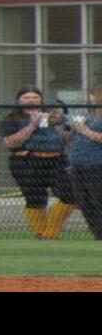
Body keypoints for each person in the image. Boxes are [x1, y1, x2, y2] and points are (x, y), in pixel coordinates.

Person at [0, 85, 77, 239]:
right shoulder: (11, 119)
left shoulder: (52, 116)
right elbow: (10, 142)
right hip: (26, 161)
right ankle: (40, 234)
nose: (31, 101)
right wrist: (32, 125)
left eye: (35, 97)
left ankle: (51, 232)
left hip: (56, 160)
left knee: (70, 195)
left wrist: (62, 123)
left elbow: (67, 139)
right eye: (26, 98)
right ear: (18, 101)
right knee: (35, 199)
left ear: (41, 100)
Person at [68, 85, 102, 240]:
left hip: (96, 164)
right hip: (78, 163)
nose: (91, 100)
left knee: (97, 198)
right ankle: (97, 232)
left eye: (94, 97)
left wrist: (84, 130)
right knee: (83, 200)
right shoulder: (89, 115)